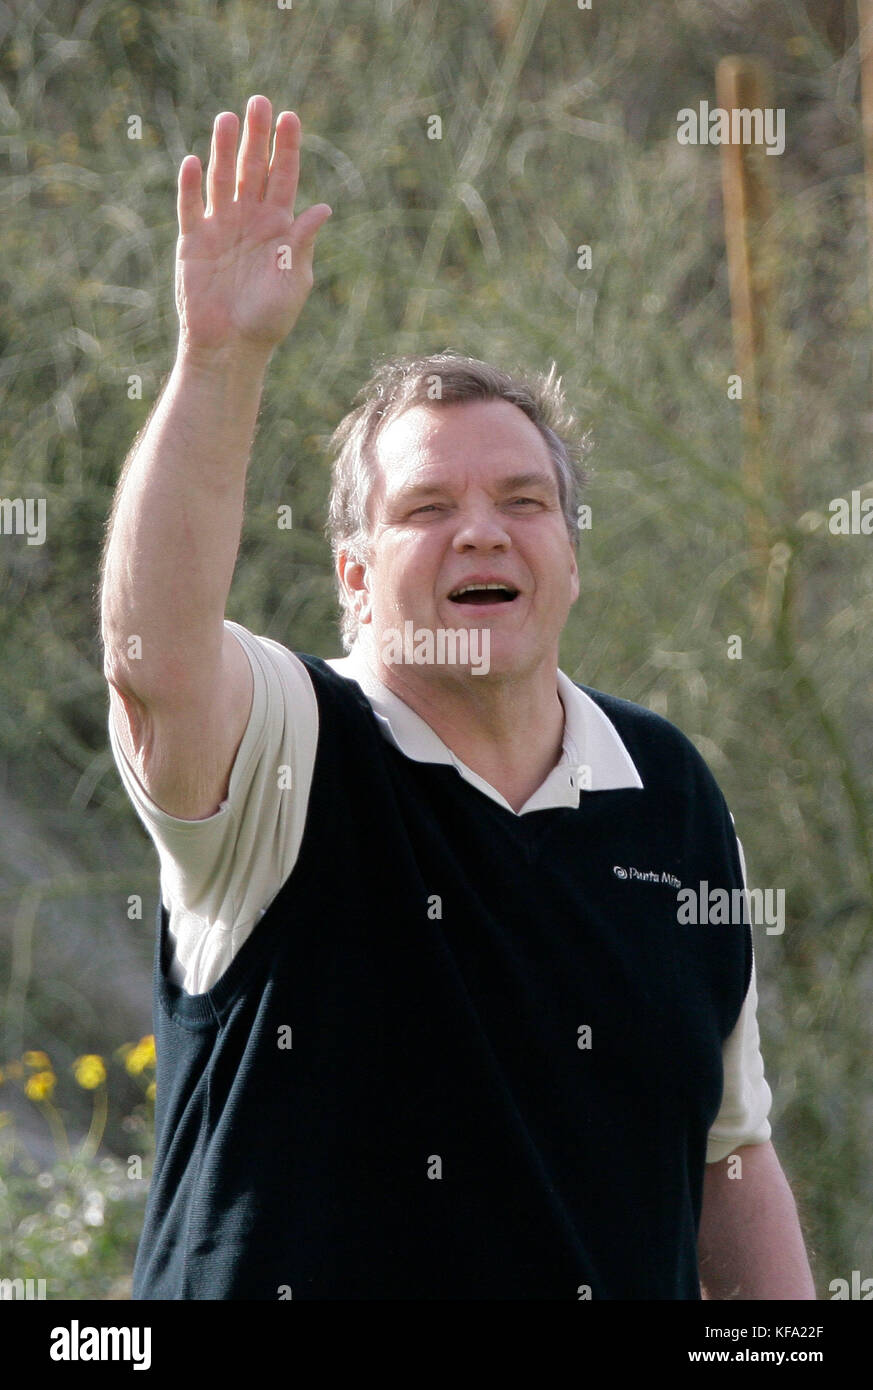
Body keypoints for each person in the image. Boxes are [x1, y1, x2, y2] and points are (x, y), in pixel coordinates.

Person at [99, 95, 815, 1300]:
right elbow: (153, 659)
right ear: (356, 577)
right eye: (428, 508)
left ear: (571, 559)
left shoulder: (672, 796)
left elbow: (729, 1153)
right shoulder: (289, 747)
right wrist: (220, 360)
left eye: (524, 502)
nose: (482, 529)